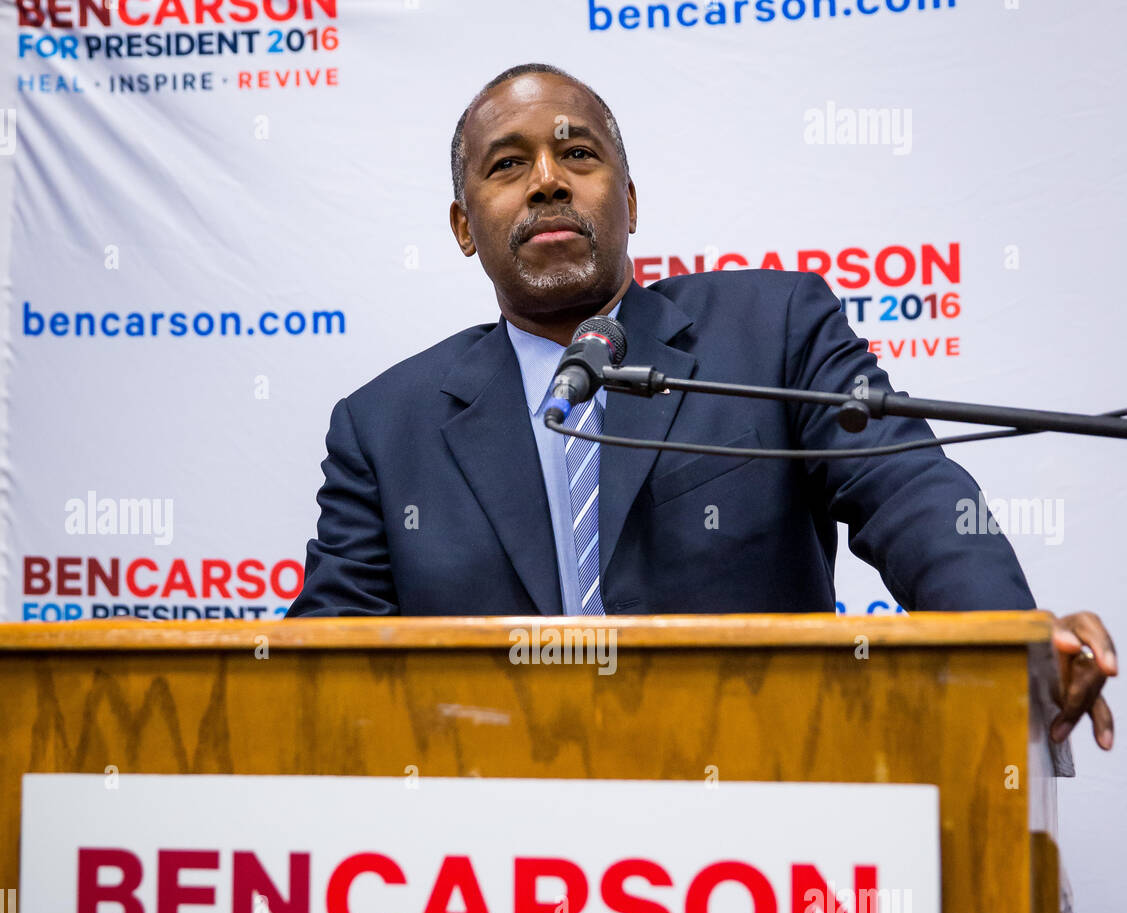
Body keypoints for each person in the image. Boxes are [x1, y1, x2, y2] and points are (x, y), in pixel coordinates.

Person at [288, 63, 1115, 750]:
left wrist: (1007, 638)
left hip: (757, 798)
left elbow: (907, 492)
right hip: (496, 853)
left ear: (631, 202)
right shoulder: (384, 426)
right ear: (464, 226)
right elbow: (318, 671)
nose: (546, 179)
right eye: (507, 164)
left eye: (577, 153)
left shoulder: (771, 331)